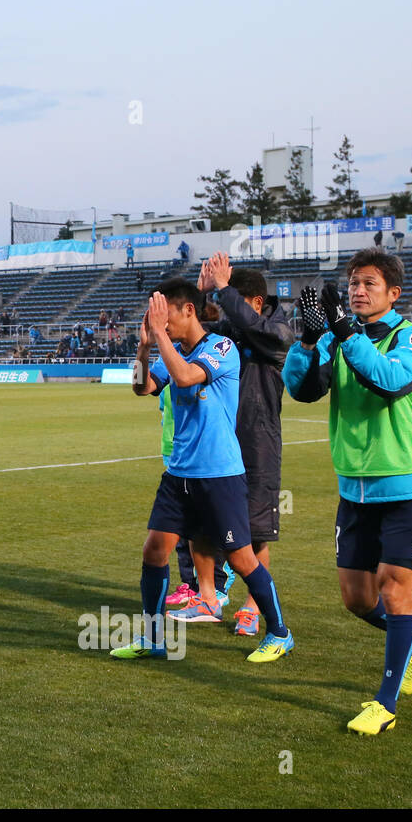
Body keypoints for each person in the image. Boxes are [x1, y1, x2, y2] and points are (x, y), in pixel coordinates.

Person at [284, 249, 412, 735]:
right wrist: (310, 342)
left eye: (369, 283)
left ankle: (385, 704)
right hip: (354, 488)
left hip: (409, 483)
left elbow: (387, 382)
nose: (356, 290)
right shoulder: (337, 337)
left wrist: (345, 333)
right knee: (356, 599)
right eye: (353, 282)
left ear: (393, 293)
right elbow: (303, 389)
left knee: (396, 591)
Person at [118, 278, 294, 662]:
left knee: (241, 559)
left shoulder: (222, 347)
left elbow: (184, 376)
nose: (163, 327)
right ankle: (153, 639)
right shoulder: (174, 349)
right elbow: (140, 387)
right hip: (179, 475)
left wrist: (160, 337)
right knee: (154, 551)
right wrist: (145, 345)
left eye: (167, 320)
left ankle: (280, 632)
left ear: (188, 311)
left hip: (220, 476)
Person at [186, 252, 295, 636]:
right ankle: (207, 596)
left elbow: (254, 327)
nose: (232, 313)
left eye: (237, 302)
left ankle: (251, 608)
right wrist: (201, 297)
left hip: (258, 442)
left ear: (257, 304)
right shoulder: (233, 328)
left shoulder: (279, 332)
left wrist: (222, 289)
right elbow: (194, 335)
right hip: (218, 441)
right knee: (200, 521)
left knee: (256, 530)